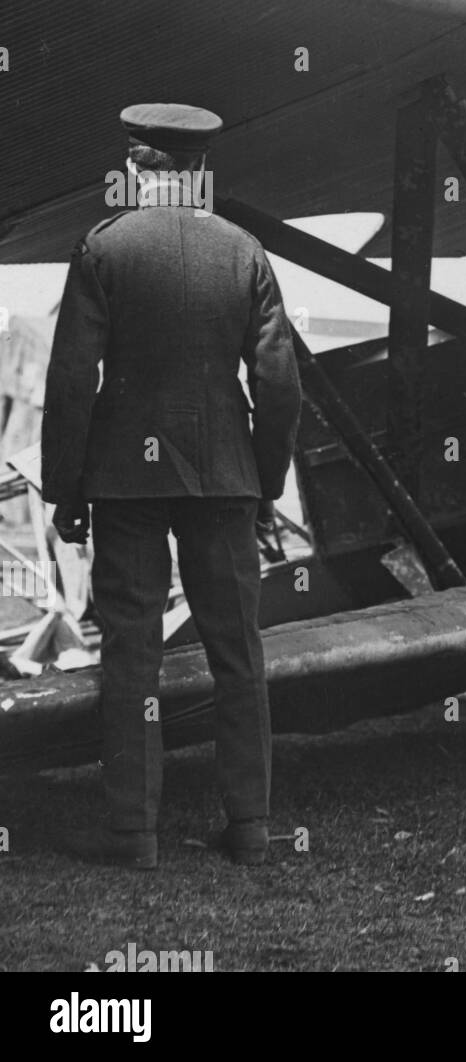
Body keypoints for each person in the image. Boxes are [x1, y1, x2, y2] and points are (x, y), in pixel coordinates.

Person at [41, 103, 302, 869]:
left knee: (132, 652)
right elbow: (280, 381)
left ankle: (134, 834)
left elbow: (70, 380)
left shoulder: (103, 248)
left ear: (140, 165)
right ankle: (250, 828)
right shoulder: (244, 252)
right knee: (237, 651)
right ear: (196, 168)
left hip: (125, 479)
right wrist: (266, 478)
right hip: (225, 477)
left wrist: (66, 488)